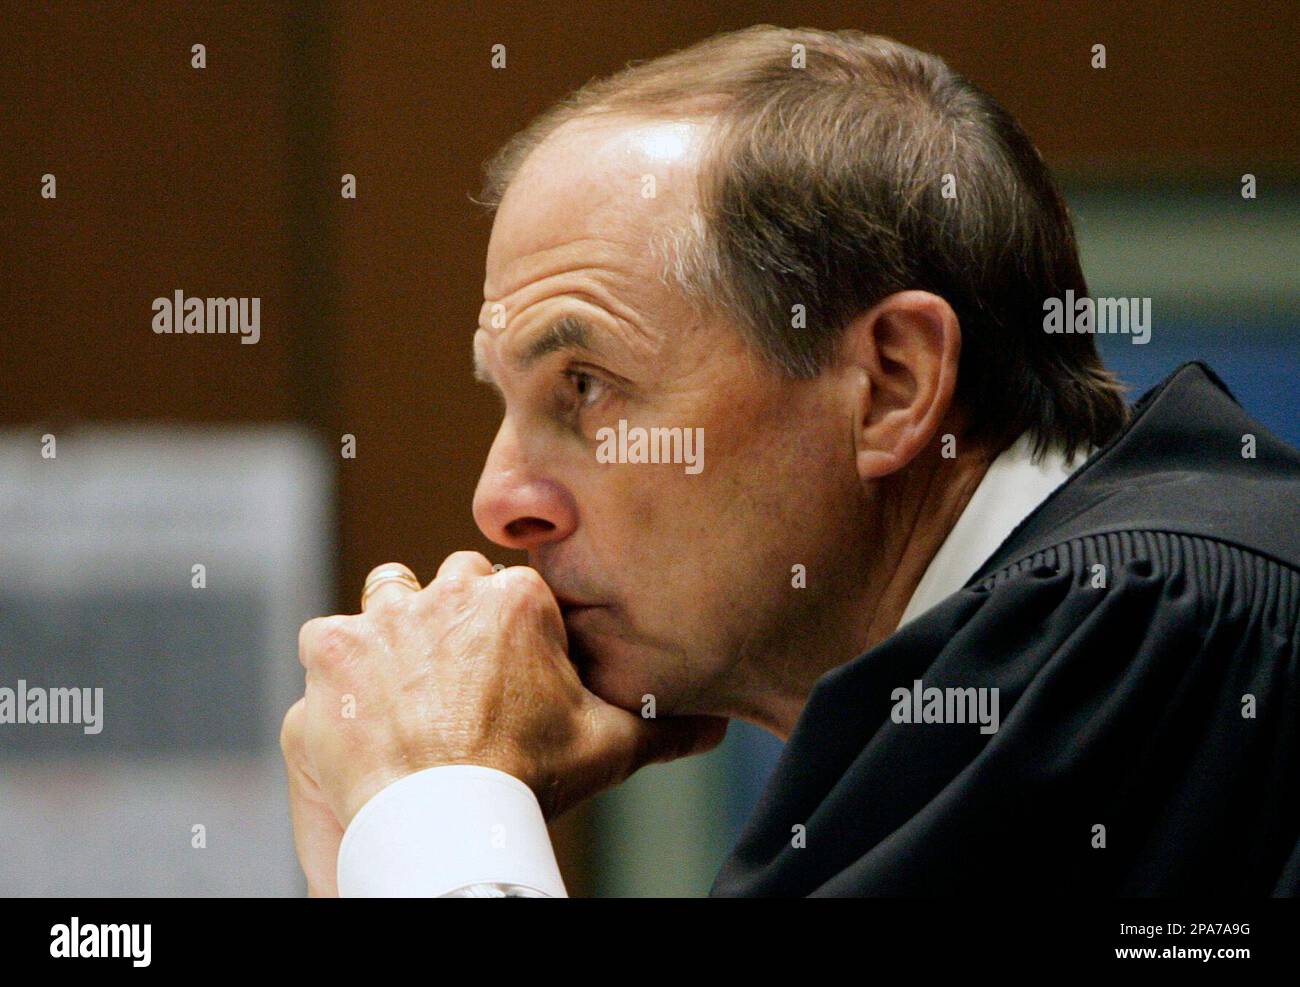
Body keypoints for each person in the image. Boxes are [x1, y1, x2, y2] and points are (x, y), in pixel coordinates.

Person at [278, 26, 1300, 897]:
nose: (500, 503)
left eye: (584, 387)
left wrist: (438, 804)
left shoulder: (1151, 633)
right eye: (507, 404)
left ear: (891, 385)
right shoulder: (990, 687)